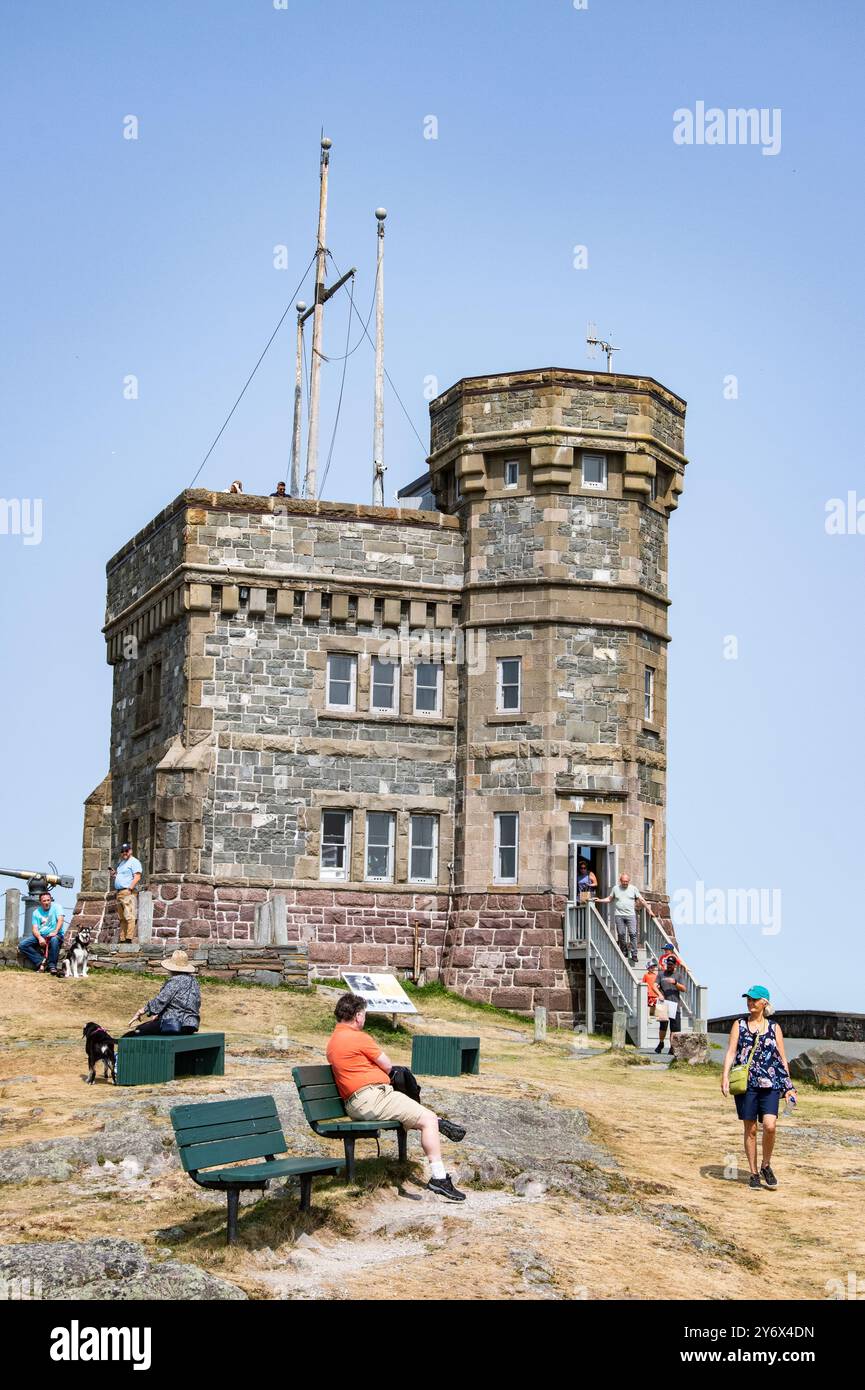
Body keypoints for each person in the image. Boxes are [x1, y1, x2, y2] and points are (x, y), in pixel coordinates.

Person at [326, 993, 468, 1201]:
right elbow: (387, 1065)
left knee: (422, 1115)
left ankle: (438, 1122)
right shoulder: (358, 1037)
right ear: (357, 1016)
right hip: (372, 1099)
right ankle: (439, 1178)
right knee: (427, 1120)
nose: (364, 1019)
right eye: (363, 1014)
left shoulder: (333, 1041)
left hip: (361, 1101)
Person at [721, 985, 796, 1190]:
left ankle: (766, 1165)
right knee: (751, 1129)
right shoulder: (739, 1025)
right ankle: (753, 1173)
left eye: (754, 999)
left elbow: (782, 1058)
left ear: (765, 1003)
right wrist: (725, 1076)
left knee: (770, 1126)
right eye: (748, 999)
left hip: (771, 1084)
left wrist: (789, 1087)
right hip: (746, 1084)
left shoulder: (774, 1028)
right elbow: (731, 1052)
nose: (750, 1002)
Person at [126, 950, 201, 1035]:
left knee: (139, 1030)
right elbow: (192, 1003)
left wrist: (141, 1011)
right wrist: (160, 1014)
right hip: (191, 1025)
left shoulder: (175, 980)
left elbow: (161, 1001)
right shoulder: (194, 981)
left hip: (174, 1024)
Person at [595, 872, 653, 965]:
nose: (625, 883)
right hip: (619, 915)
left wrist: (649, 910)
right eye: (623, 881)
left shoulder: (633, 889)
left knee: (633, 934)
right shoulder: (616, 888)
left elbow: (641, 899)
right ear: (620, 881)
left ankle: (634, 953)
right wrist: (599, 900)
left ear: (629, 881)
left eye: (627, 881)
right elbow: (609, 899)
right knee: (621, 934)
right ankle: (624, 949)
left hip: (631, 915)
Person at [19, 891, 66, 974]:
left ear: (51, 900)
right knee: (22, 945)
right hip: (41, 935)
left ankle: (52, 967)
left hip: (55, 934)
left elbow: (61, 920)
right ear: (40, 902)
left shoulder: (57, 907)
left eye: (48, 900)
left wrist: (55, 931)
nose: (47, 902)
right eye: (44, 901)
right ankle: (41, 962)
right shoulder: (36, 912)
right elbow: (34, 929)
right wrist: (40, 938)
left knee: (54, 940)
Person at [114, 842, 143, 943]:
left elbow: (137, 876)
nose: (124, 853)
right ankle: (122, 938)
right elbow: (123, 877)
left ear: (130, 851)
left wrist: (130, 889)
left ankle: (128, 938)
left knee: (129, 916)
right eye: (122, 851)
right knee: (122, 918)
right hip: (119, 893)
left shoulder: (134, 862)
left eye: (126, 851)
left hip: (127, 892)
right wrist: (115, 875)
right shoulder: (121, 863)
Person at [654, 961, 685, 1053]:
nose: (669, 966)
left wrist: (675, 983)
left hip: (675, 1004)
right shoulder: (661, 974)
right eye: (668, 964)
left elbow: (684, 989)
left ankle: (672, 1047)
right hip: (662, 1003)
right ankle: (661, 1043)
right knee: (662, 1026)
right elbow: (654, 986)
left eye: (671, 964)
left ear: (675, 965)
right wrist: (659, 994)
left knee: (674, 1028)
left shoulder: (678, 976)